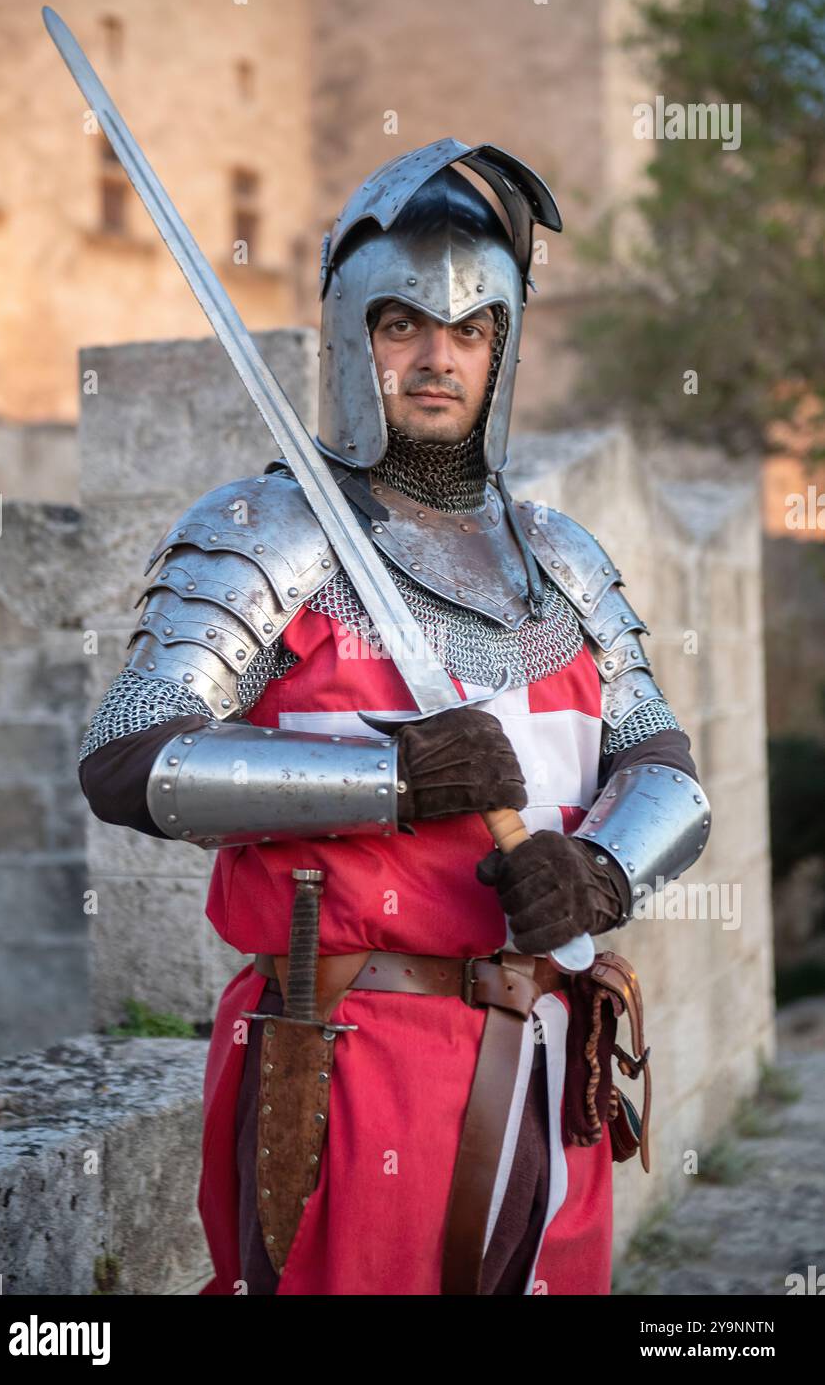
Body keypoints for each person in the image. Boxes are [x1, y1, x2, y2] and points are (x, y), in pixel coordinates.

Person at [78, 138, 712, 1296]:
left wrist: (602, 872)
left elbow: (664, 764)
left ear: (501, 352)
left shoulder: (560, 561)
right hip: (350, 1058)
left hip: (554, 1049)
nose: (436, 359)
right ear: (351, 339)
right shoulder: (270, 533)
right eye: (402, 325)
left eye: (470, 332)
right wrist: (389, 779)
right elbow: (128, 758)